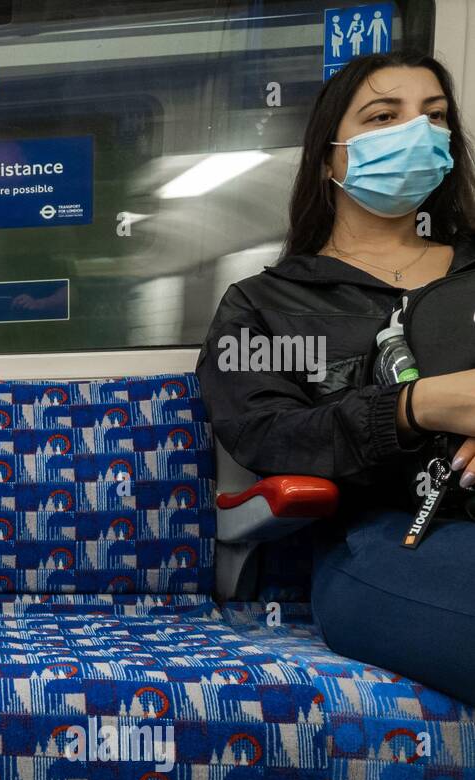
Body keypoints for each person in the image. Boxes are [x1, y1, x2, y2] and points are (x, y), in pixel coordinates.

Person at [197, 50, 475, 705]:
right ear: (330, 157)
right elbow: (267, 434)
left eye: (434, 118)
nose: (416, 132)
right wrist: (416, 406)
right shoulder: (266, 304)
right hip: (386, 540)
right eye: (385, 116)